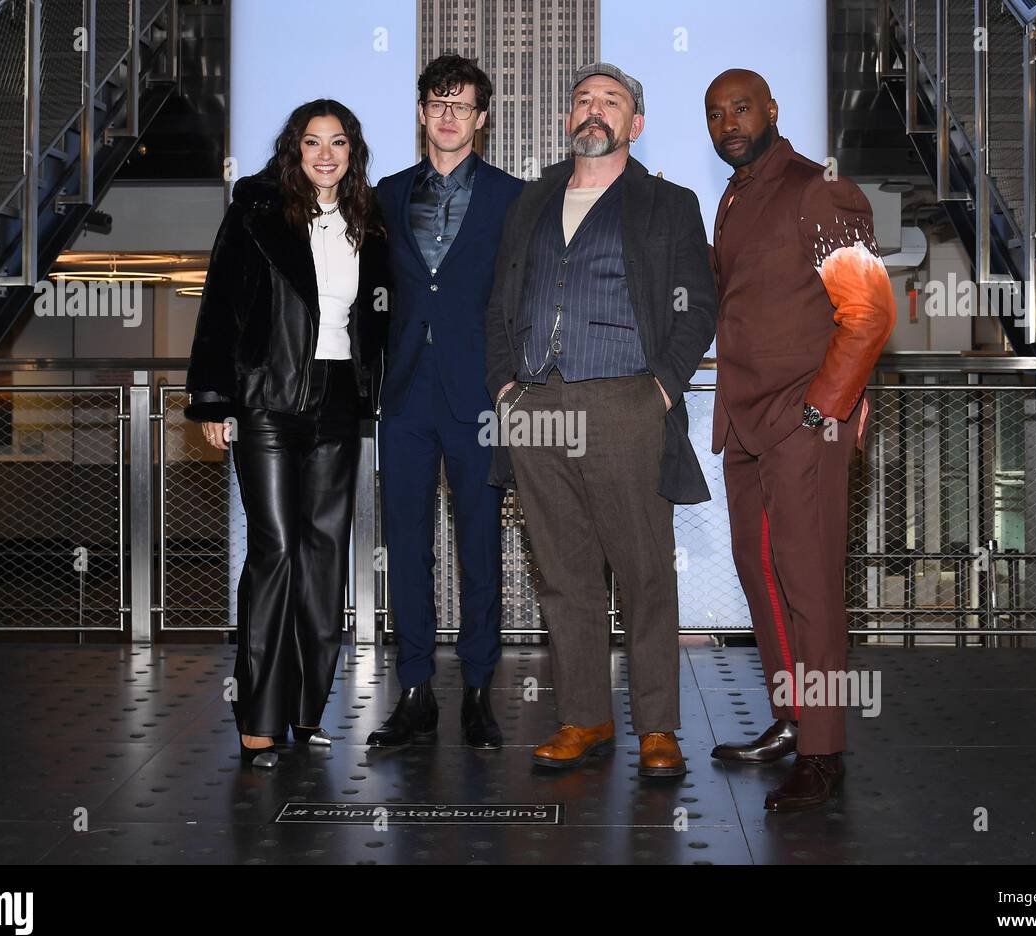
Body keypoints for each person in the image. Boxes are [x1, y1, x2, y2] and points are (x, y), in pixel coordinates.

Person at [485, 63, 717, 778]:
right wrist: (502, 387)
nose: (595, 110)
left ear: (634, 124)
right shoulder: (530, 201)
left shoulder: (668, 203)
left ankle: (658, 728)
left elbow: (697, 305)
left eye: (611, 101)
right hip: (534, 405)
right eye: (583, 99)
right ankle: (583, 716)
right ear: (568, 119)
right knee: (562, 573)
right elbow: (500, 302)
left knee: (645, 572)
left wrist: (662, 390)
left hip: (626, 403)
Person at [703, 69, 895, 809]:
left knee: (809, 584)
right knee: (762, 576)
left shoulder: (818, 190)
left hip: (803, 419)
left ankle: (823, 751)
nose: (729, 122)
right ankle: (792, 717)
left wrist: (825, 408)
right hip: (745, 421)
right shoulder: (733, 197)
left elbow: (870, 311)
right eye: (716, 113)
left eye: (742, 107)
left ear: (773, 110)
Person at [183, 99, 390, 767]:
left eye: (337, 141)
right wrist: (214, 399)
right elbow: (220, 305)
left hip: (336, 400)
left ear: (352, 151)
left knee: (324, 556)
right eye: (312, 142)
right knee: (274, 551)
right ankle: (259, 716)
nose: (325, 153)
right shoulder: (256, 212)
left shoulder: (368, 220)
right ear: (293, 150)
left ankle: (305, 710)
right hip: (268, 398)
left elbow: (378, 317)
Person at [369, 55, 523, 750]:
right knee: (405, 547)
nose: (450, 116)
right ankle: (414, 690)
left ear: (482, 118)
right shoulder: (385, 195)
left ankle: (480, 690)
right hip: (403, 393)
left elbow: (521, 298)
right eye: (438, 103)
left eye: (462, 105)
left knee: (480, 547)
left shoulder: (513, 198)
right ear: (422, 112)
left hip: (480, 394)